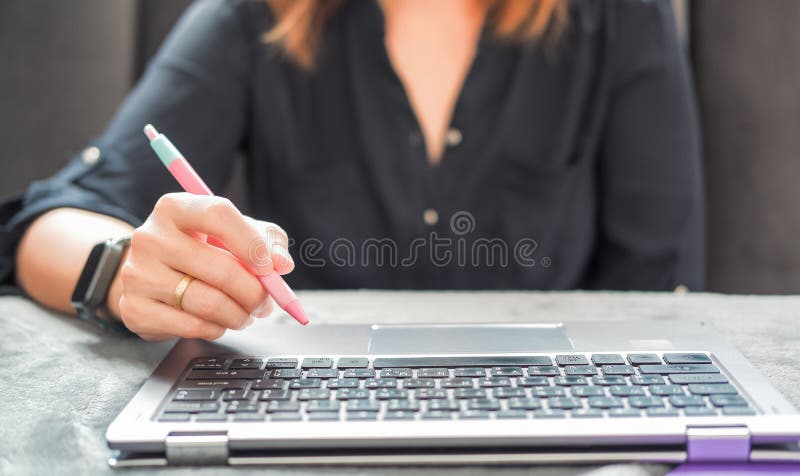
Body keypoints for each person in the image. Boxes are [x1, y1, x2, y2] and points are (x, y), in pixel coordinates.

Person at [0, 0, 704, 341]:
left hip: (561, 431)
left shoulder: (619, 17)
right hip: (310, 417)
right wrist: (121, 270)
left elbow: (660, 286)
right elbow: (47, 222)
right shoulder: (256, 16)